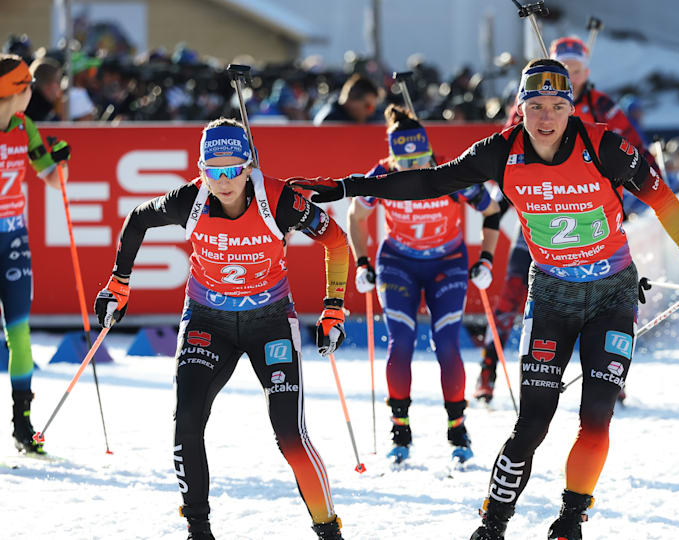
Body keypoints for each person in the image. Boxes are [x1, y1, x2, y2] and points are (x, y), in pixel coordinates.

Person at [295, 58, 679, 540]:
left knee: (596, 413)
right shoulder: (502, 150)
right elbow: (431, 181)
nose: (545, 118)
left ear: (570, 109)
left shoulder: (602, 145)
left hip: (612, 295)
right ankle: (493, 523)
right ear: (520, 110)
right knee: (532, 421)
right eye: (534, 106)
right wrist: (347, 186)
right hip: (552, 297)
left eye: (556, 107)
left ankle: (570, 518)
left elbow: (662, 199)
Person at [93, 118, 350, 540]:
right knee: (187, 420)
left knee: (289, 435)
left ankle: (328, 530)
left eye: (233, 169)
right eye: (213, 170)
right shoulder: (188, 200)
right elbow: (137, 219)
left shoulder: (281, 201)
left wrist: (334, 307)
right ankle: (198, 530)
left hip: (269, 322)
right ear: (201, 169)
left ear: (249, 167)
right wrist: (119, 284)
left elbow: (336, 242)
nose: (223, 180)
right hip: (207, 320)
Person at [475, 36, 655, 404]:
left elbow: (638, 149)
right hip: (540, 220)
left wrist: (634, 181)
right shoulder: (532, 101)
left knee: (602, 302)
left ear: (586, 73)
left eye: (575, 71)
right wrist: (500, 194)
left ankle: (610, 379)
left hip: (592, 224)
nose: (569, 76)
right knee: (513, 294)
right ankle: (488, 370)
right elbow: (508, 143)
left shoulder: (603, 106)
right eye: (563, 69)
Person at [347, 104, 501, 465]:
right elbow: (357, 214)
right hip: (398, 264)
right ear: (392, 158)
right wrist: (362, 261)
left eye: (421, 161)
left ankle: (457, 428)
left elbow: (491, 210)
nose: (415, 170)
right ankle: (400, 429)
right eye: (406, 163)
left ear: (430, 154)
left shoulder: (449, 174)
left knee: (446, 343)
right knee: (401, 341)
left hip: (447, 264)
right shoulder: (381, 175)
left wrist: (486, 259)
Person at [0, 54, 71, 455]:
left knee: (20, 333)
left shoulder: (25, 127)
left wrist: (61, 161)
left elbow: (53, 180)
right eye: (27, 87)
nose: (33, 94)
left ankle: (22, 424)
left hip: (13, 241)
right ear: (14, 92)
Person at [312, 73, 380, 125]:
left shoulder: (370, 119)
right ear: (352, 101)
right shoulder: (330, 121)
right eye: (368, 106)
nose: (371, 112)